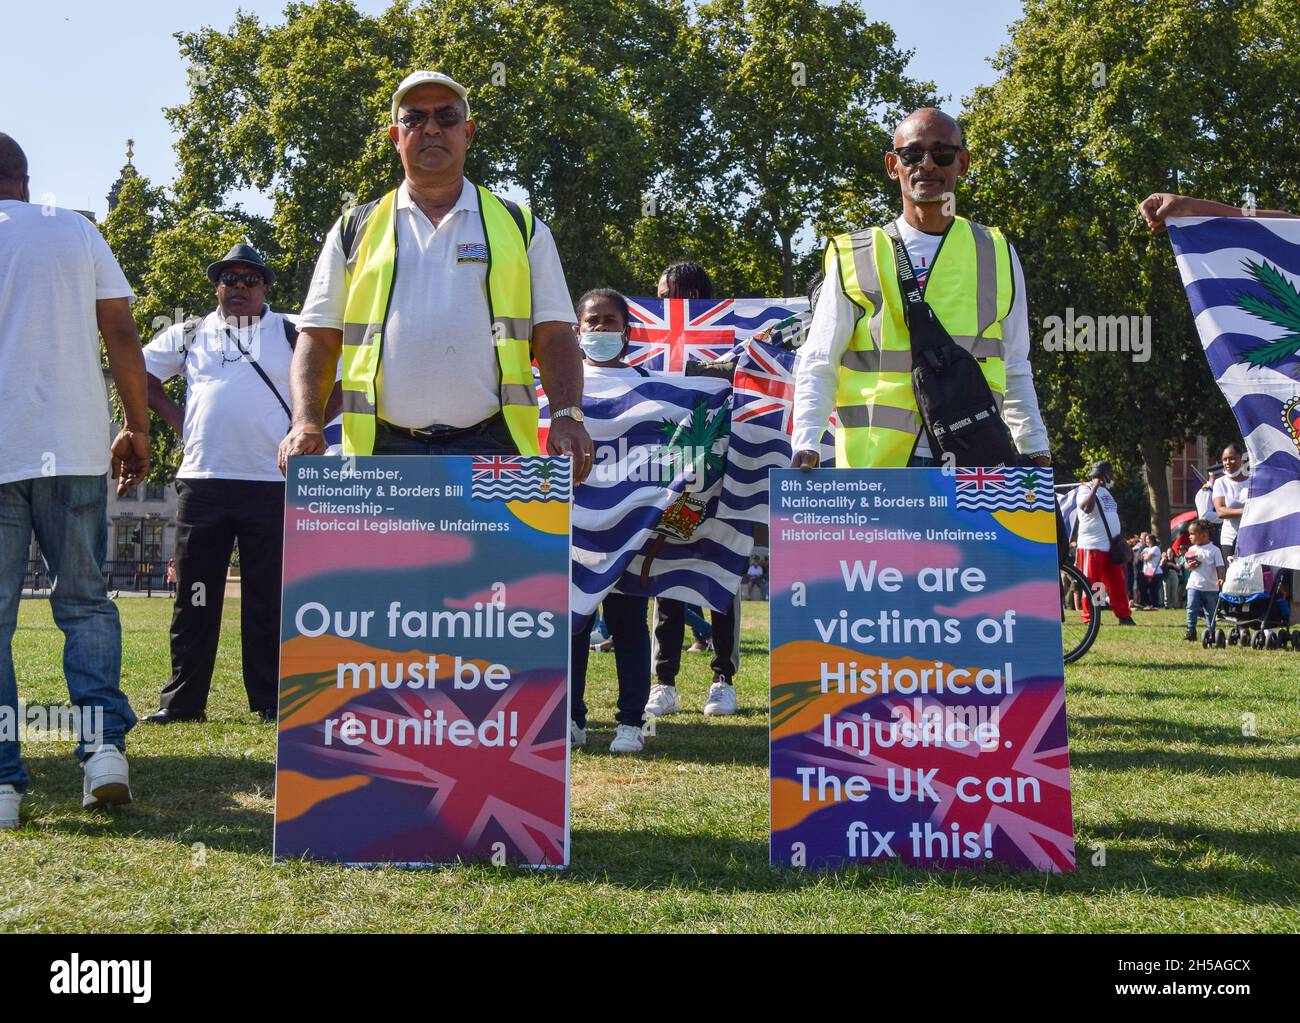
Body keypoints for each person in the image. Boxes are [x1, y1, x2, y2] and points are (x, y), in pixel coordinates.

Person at [278, 70, 592, 477]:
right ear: (395, 136)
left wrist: (568, 414)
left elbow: (554, 333)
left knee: (492, 547)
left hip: (494, 446)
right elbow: (318, 336)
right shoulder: (353, 229)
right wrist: (306, 421)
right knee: (391, 546)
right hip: (380, 449)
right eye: (414, 119)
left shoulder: (521, 226)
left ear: (469, 132)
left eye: (446, 117)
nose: (431, 129)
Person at [0, 133, 150, 827]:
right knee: (86, 602)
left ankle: (4, 781)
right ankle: (102, 752)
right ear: (24, 180)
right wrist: (137, 426)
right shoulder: (75, 230)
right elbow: (121, 332)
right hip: (76, 446)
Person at [791, 108, 1052, 472]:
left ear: (962, 162)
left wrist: (1035, 447)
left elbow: (1015, 364)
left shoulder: (996, 252)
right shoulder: (854, 254)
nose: (927, 165)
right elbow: (819, 359)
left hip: (973, 462)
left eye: (942, 153)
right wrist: (806, 440)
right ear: (892, 164)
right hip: (880, 469)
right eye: (912, 154)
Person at [141, 245, 337, 725]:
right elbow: (136, 372)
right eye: (229, 279)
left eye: (250, 279)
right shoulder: (188, 332)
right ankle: (183, 703)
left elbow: (348, 384)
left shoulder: (294, 331)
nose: (239, 288)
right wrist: (176, 418)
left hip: (274, 481)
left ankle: (272, 701)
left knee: (269, 597)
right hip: (202, 480)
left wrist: (307, 427)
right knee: (195, 596)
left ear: (266, 286)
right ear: (217, 287)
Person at [645, 260, 743, 719]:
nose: (659, 303)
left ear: (690, 295)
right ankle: (663, 681)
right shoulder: (651, 346)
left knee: (722, 574)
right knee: (666, 574)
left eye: (665, 295)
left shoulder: (731, 341)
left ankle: (723, 680)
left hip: (721, 475)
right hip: (673, 478)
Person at [570, 289, 653, 753]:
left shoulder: (654, 388)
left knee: (628, 623)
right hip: (574, 526)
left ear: (627, 331)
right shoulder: (560, 389)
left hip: (629, 529)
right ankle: (573, 718)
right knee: (575, 624)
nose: (600, 330)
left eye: (609, 321)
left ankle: (631, 723)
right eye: (592, 322)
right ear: (577, 330)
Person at [1074, 461, 1137, 626]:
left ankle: (1124, 615)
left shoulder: (1107, 492)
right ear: (1102, 474)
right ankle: (1091, 616)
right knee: (1093, 584)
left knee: (1117, 582)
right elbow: (1086, 508)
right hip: (1092, 545)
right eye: (1110, 473)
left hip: (1111, 546)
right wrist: (1094, 486)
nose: (1112, 477)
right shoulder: (1085, 489)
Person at [1182, 519, 1226, 642]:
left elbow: (1220, 566)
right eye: (1189, 533)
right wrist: (1189, 566)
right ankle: (1191, 630)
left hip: (1210, 587)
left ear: (1204, 534)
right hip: (1194, 585)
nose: (1190, 536)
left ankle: (1211, 631)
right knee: (1191, 607)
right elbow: (1186, 565)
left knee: (1210, 610)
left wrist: (1221, 578)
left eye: (1192, 534)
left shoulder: (1214, 550)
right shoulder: (1192, 549)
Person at [1212, 443, 1249, 560]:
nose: (1227, 462)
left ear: (1242, 459)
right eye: (1224, 459)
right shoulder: (1220, 483)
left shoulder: (1253, 481)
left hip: (1252, 535)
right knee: (1233, 575)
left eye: (1232, 458)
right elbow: (1220, 511)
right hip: (1230, 538)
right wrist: (1246, 511)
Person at [1137, 532, 1163, 610]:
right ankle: (1146, 604)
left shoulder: (1156, 548)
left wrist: (1145, 556)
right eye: (1146, 539)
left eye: (1148, 539)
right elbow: (1140, 558)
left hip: (1155, 572)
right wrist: (1145, 556)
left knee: (1153, 589)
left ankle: (1155, 605)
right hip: (1146, 571)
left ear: (1152, 540)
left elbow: (1148, 558)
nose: (1146, 541)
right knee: (1143, 588)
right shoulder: (1145, 549)